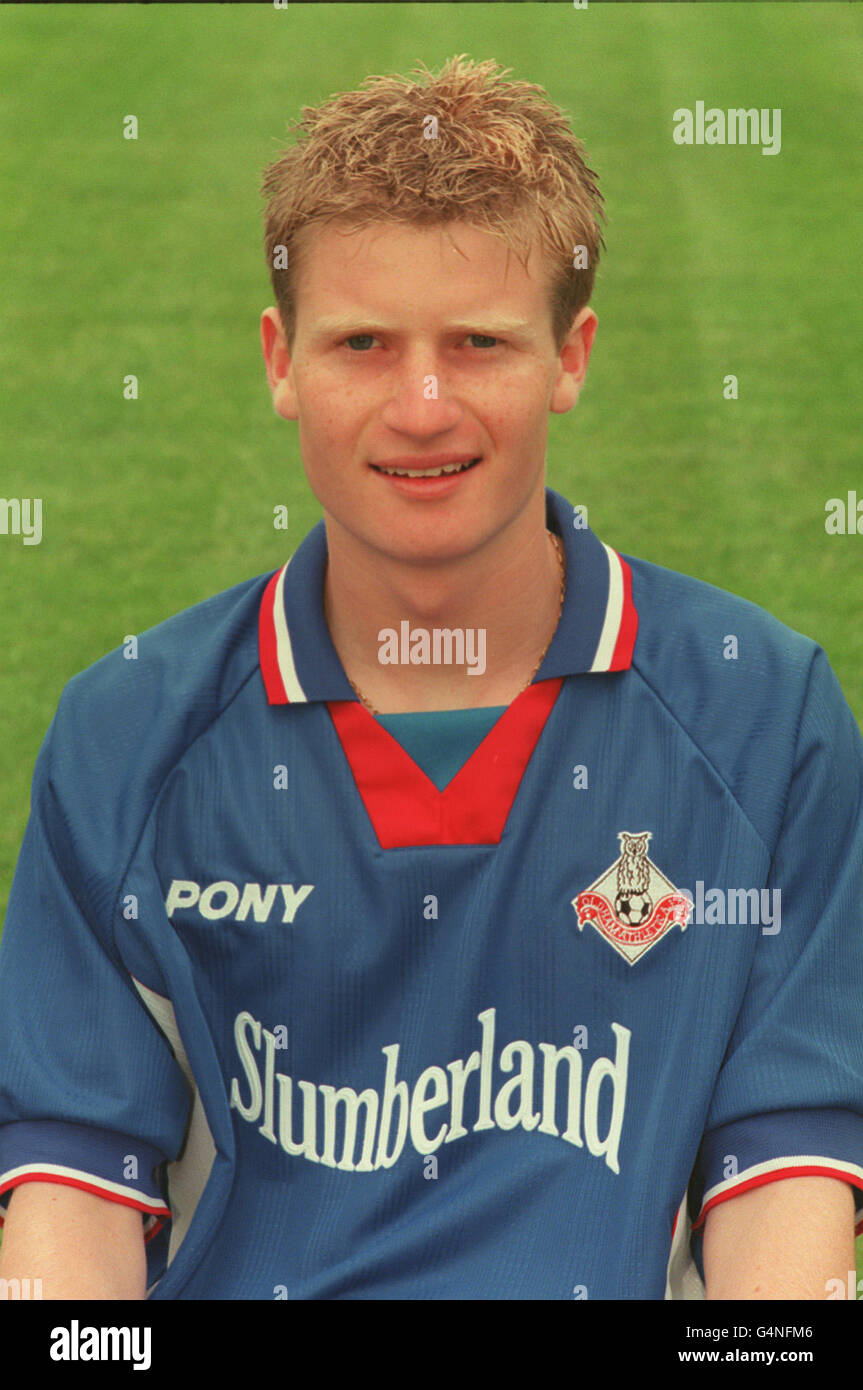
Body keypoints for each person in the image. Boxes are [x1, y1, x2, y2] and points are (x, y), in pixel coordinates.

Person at [0, 55, 860, 1301]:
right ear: (278, 359)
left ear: (569, 357)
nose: (420, 404)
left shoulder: (762, 717)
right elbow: (72, 1201)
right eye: (361, 342)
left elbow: (781, 1188)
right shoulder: (127, 734)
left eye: (477, 344)